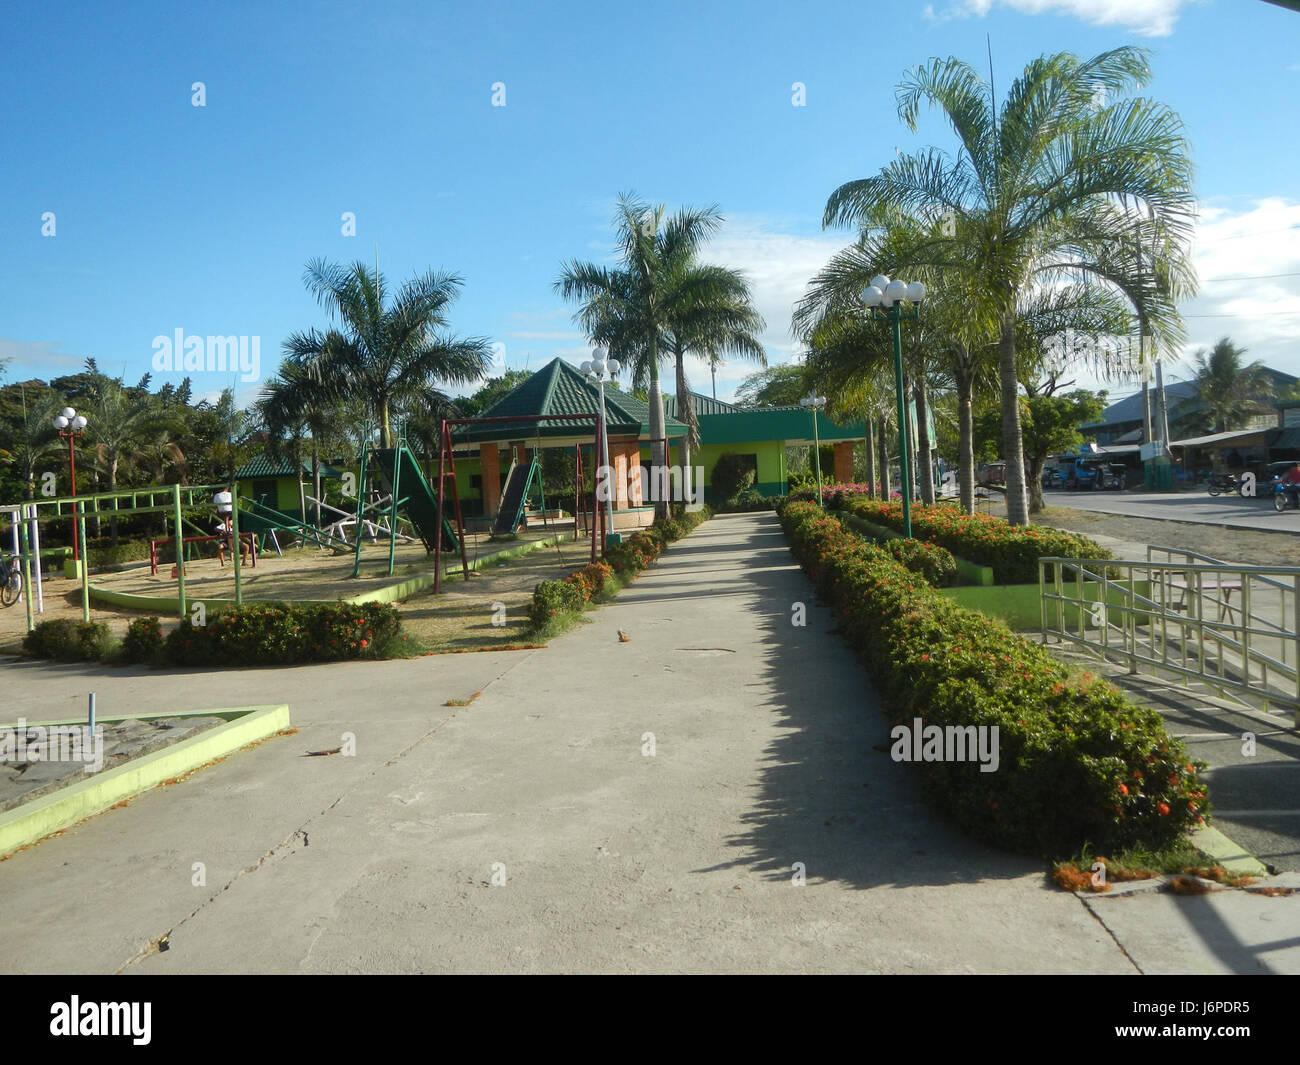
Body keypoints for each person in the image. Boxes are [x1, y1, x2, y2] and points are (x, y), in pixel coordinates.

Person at [213, 484, 247, 567]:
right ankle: (223, 562)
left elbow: (215, 505)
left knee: (246, 546)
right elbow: (216, 529)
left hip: (222, 512)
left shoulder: (217, 495)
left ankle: (243, 561)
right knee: (221, 546)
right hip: (229, 512)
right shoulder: (223, 525)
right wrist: (223, 531)